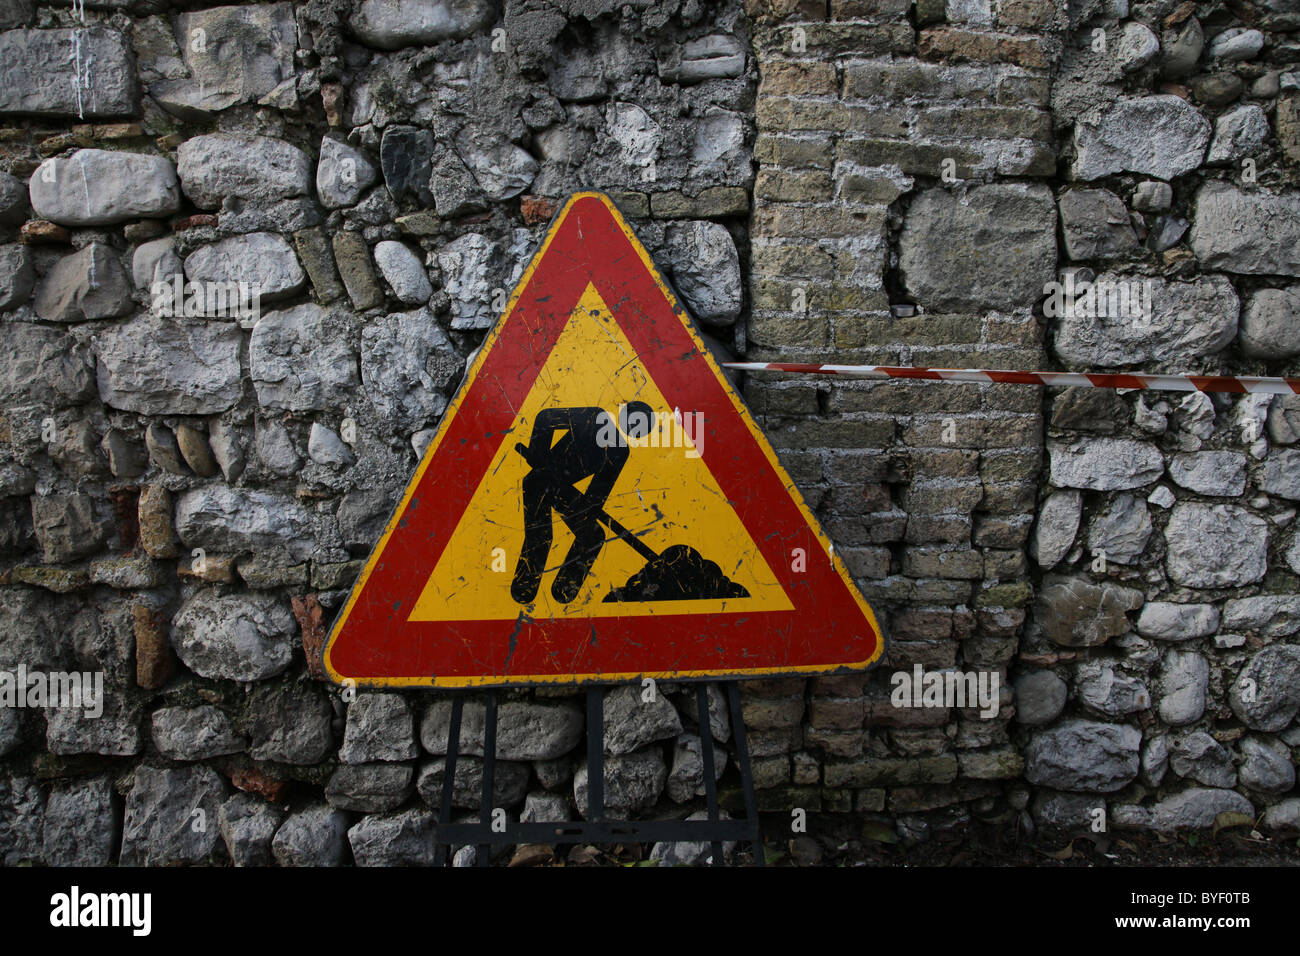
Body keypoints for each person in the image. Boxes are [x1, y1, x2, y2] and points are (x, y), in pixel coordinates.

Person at [511, 402, 653, 604]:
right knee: (541, 535)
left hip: (562, 491)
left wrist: (587, 510)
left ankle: (564, 589)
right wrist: (537, 453)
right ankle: (524, 587)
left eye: (641, 426)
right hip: (539, 482)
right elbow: (545, 418)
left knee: (593, 536)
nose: (634, 426)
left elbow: (596, 495)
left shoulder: (620, 451)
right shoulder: (595, 417)